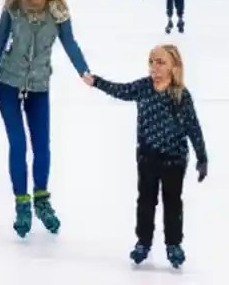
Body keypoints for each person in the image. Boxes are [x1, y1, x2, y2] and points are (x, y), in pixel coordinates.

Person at [0, 0, 92, 239]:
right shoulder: (13, 8)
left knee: (42, 146)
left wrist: (84, 70)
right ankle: (22, 203)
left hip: (39, 86)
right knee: (18, 144)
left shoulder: (58, 13)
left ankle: (41, 199)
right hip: (8, 83)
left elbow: (70, 43)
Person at [82, 44, 208, 269]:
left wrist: (202, 157)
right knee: (146, 200)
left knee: (172, 203)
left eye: (161, 62)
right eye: (151, 61)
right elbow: (121, 90)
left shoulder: (180, 95)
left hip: (174, 159)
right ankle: (143, 241)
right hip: (148, 156)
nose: (154, 67)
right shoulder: (144, 87)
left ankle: (173, 244)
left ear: (173, 66)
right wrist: (97, 82)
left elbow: (193, 126)